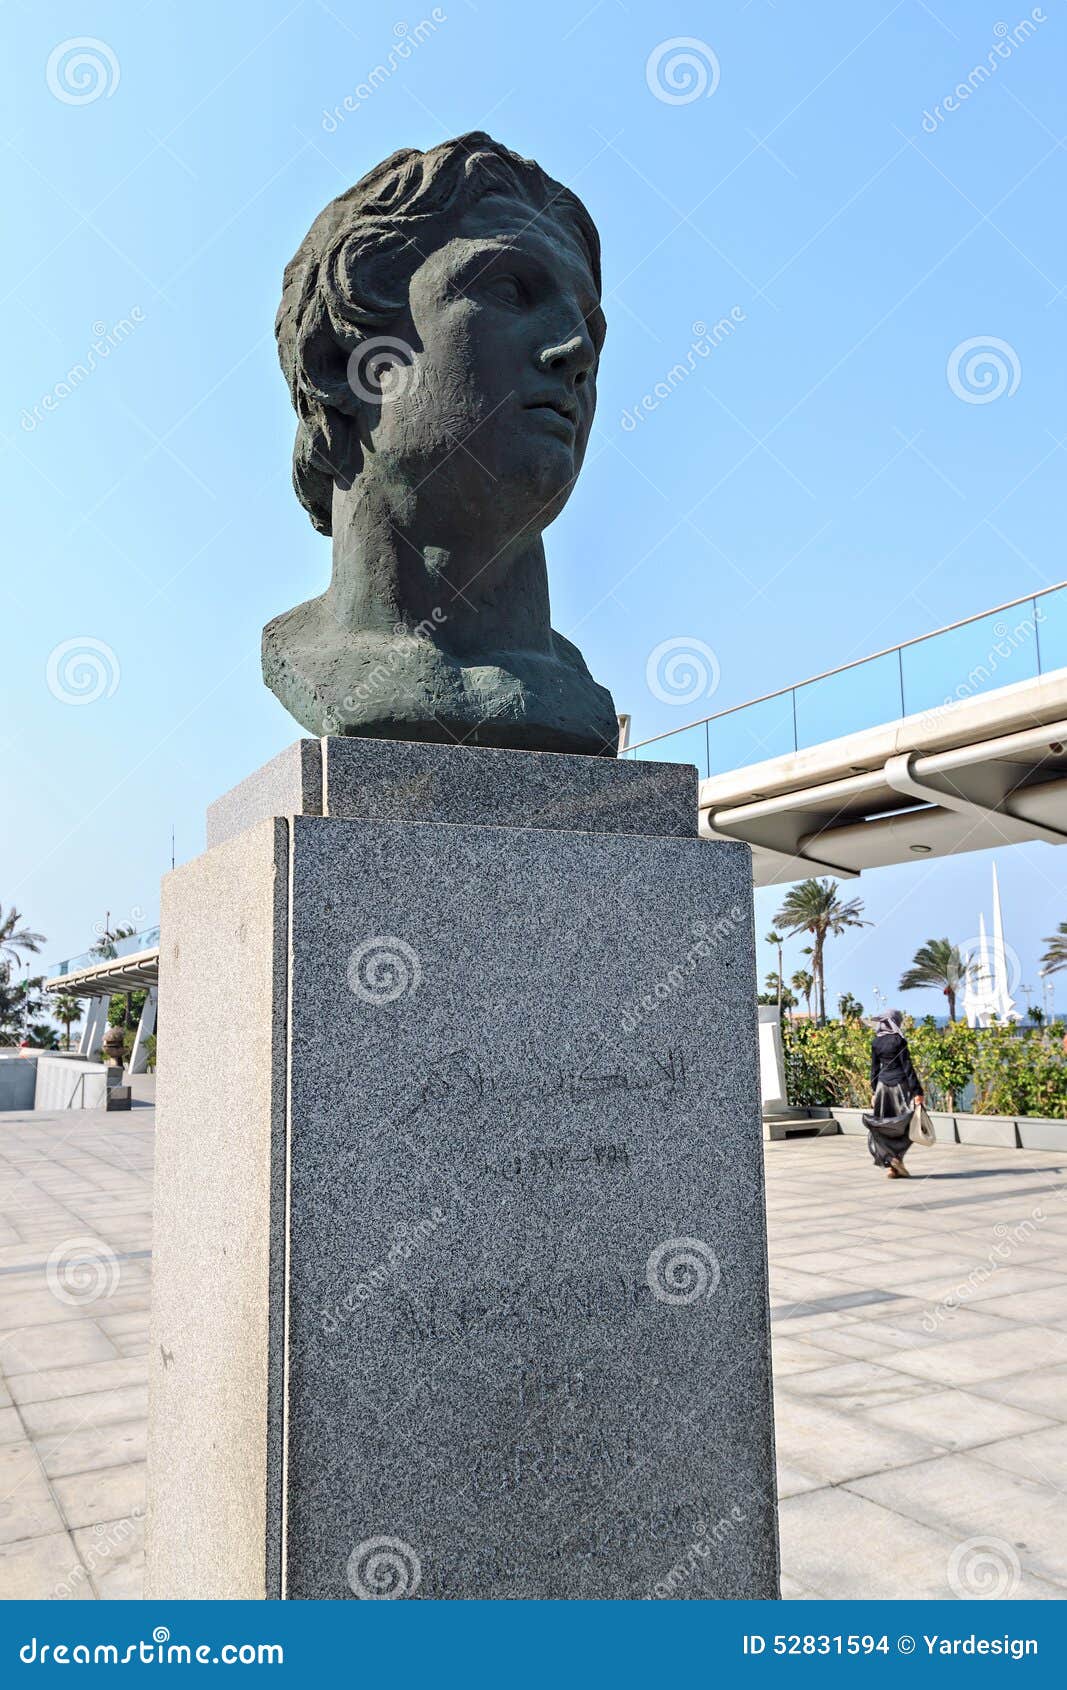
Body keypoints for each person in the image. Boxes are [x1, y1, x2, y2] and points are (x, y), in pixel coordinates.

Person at [863, 1008, 924, 1178]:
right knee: (904, 1124)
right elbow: (907, 1067)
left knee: (885, 1125)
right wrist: (918, 1091)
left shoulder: (876, 1042)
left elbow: (874, 1069)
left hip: (882, 1086)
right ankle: (897, 1160)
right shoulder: (899, 1040)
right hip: (900, 1086)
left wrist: (874, 1092)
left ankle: (892, 1164)